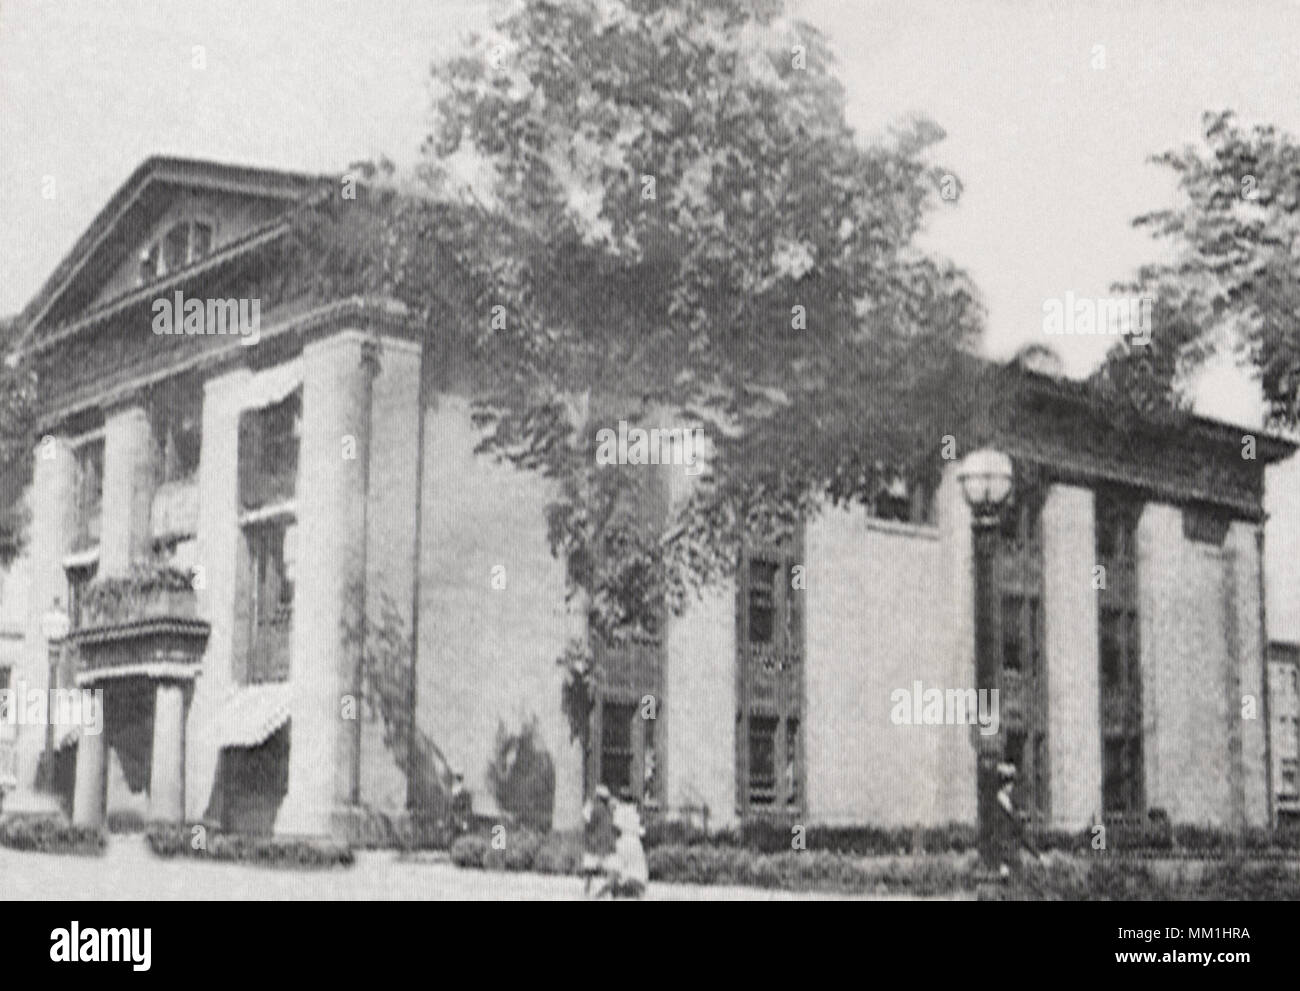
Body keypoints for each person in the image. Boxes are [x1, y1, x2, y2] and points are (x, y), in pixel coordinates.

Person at [605, 796, 648, 898]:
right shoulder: (634, 812)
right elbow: (641, 830)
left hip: (623, 841)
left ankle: (616, 889)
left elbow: (615, 827)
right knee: (636, 867)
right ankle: (635, 890)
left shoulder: (619, 811)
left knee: (617, 865)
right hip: (634, 842)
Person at [581, 784, 616, 896]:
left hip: (595, 841)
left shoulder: (595, 809)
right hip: (609, 841)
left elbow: (589, 825)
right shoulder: (609, 810)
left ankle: (587, 890)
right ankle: (607, 887)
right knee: (611, 867)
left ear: (598, 796)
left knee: (589, 867)